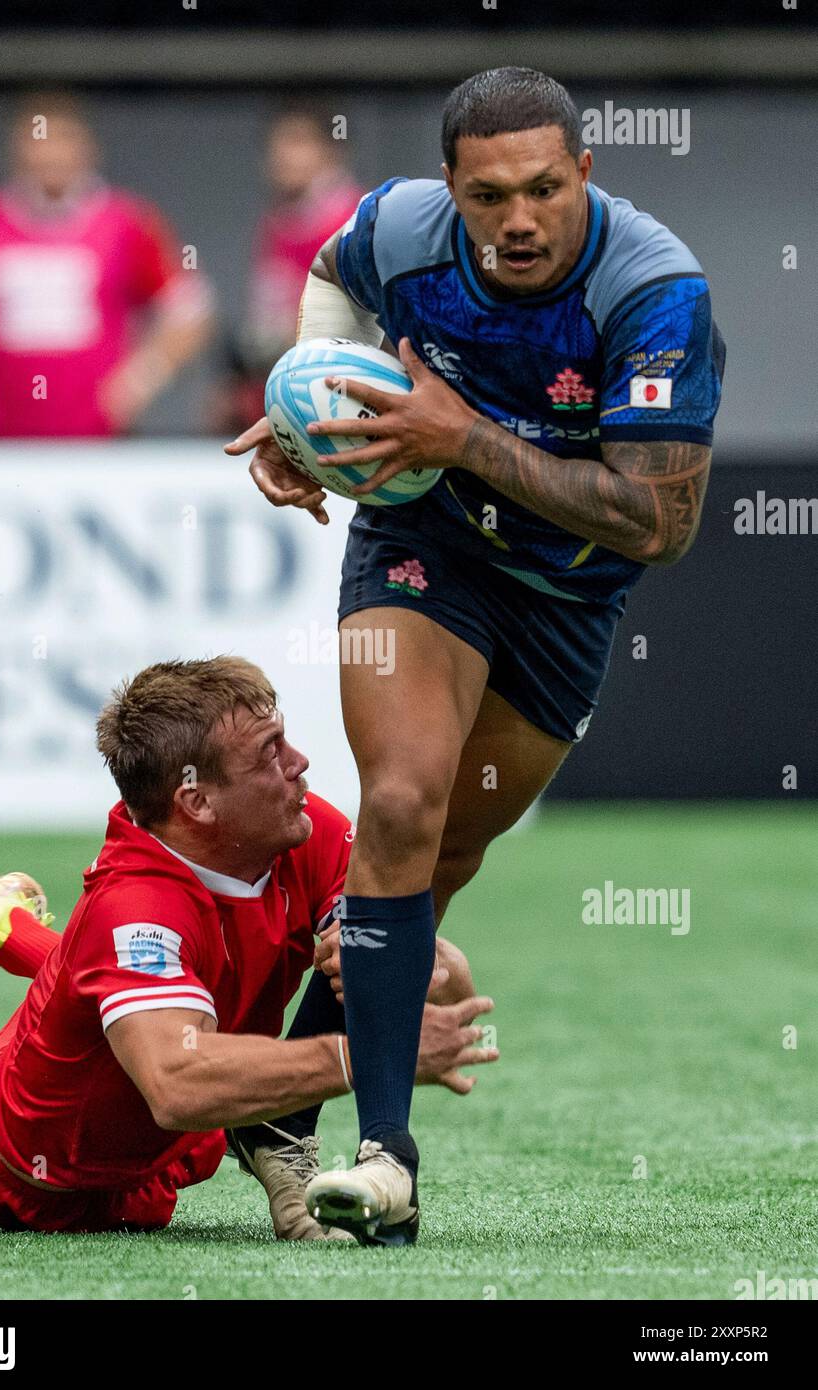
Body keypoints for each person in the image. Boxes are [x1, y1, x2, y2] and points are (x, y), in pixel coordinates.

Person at [226, 66, 726, 1245]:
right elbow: (333, 274)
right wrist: (316, 414)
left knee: (447, 845)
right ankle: (383, 1157)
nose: (518, 219)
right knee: (401, 800)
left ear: (585, 176)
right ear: (449, 187)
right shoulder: (398, 226)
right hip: (424, 544)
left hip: (568, 596)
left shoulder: (654, 291)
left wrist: (468, 434)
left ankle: (278, 1100)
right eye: (490, 193)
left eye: (546, 189)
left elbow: (661, 524)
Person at [0, 657, 495, 1240]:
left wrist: (431, 969)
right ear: (198, 803)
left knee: (343, 955)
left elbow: (427, 986)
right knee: (154, 1033)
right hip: (23, 1171)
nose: (300, 763)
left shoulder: (298, 824)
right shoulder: (135, 908)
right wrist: (361, 1054)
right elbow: (178, 1086)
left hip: (168, 1144)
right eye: (270, 753)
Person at [0, 92, 213, 439]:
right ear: (14, 149)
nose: (50, 153)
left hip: (99, 437)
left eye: (64, 139)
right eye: (37, 139)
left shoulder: (128, 222)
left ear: (89, 148)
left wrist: (140, 380)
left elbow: (190, 306)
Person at [210, 105, 362, 433]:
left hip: (334, 407)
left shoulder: (357, 221)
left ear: (333, 151)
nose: (284, 155)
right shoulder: (277, 225)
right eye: (277, 145)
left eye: (298, 142)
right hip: (278, 406)